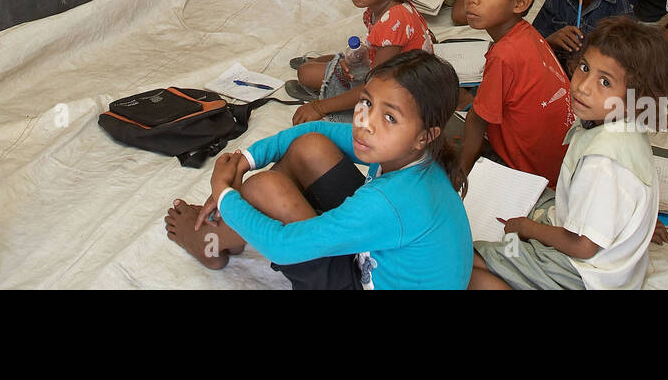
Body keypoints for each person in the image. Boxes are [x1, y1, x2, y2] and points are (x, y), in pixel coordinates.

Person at [165, 51, 473, 290]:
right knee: (310, 147)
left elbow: (284, 247)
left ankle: (215, 238)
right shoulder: (410, 154)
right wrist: (246, 159)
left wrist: (223, 194)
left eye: (389, 117)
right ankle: (226, 230)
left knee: (264, 188)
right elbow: (316, 131)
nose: (365, 123)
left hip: (362, 275)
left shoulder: (392, 200)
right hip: (377, 251)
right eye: (366, 102)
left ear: (426, 135)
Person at [470, 17, 668, 290]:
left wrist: (527, 229)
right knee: (528, 194)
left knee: (473, 261)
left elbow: (583, 246)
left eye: (605, 82)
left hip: (585, 274)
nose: (583, 86)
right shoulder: (615, 122)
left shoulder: (603, 162)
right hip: (608, 261)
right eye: (585, 67)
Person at [456, 0, 574, 188]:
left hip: (526, 173)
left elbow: (477, 122)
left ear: (520, 3)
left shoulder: (503, 55)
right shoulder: (528, 33)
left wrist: (460, 175)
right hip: (558, 166)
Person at [286, 0, 431, 122]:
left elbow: (375, 86)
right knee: (335, 60)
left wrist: (320, 107)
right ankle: (331, 70)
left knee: (306, 72)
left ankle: (327, 91)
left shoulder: (394, 19)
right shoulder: (385, 7)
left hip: (401, 89)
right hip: (386, 69)